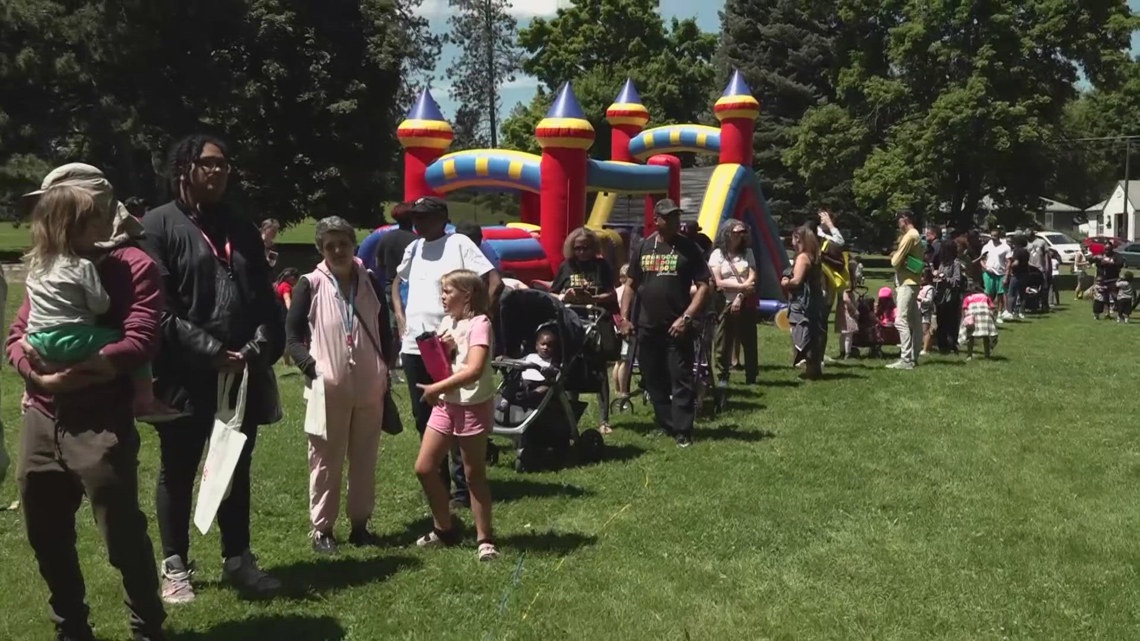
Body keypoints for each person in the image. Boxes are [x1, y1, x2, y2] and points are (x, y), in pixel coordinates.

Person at [5, 163, 168, 641]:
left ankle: (146, 627)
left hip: (100, 418)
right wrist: (35, 374)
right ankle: (71, 629)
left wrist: (79, 370)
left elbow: (140, 340)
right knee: (45, 532)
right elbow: (19, 335)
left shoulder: (132, 265)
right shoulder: (47, 264)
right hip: (41, 414)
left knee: (120, 534)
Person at [141, 134, 284, 603]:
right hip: (185, 373)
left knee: (234, 468)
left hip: (239, 373)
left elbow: (265, 298)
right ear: (185, 168)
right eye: (210, 164)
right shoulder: (158, 227)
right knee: (178, 470)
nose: (220, 172)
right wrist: (208, 350)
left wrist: (258, 347)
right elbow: (158, 309)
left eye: (225, 165)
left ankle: (238, 557)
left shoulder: (240, 228)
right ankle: (175, 564)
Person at [20, 185, 181, 422]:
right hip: (72, 339)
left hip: (37, 339)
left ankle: (30, 391)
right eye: (92, 223)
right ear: (73, 228)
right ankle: (145, 400)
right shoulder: (83, 266)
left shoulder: (38, 264)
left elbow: (25, 320)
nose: (99, 227)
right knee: (134, 353)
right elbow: (101, 307)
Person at [285, 217, 389, 554]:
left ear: (353, 243)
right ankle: (322, 529)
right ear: (321, 249)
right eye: (329, 246)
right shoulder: (309, 283)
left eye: (343, 243)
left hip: (369, 386)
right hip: (327, 388)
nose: (338, 250)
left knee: (365, 456)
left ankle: (360, 524)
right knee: (325, 459)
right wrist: (311, 366)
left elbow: (384, 327)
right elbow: (292, 335)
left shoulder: (370, 280)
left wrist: (386, 365)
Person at [392, 196, 500, 510]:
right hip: (416, 345)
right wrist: (400, 315)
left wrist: (479, 318)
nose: (418, 223)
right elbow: (398, 282)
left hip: (448, 346)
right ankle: (436, 486)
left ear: (442, 218)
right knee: (424, 416)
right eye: (415, 217)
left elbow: (493, 281)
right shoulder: (413, 248)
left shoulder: (458, 244)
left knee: (456, 411)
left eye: (424, 217)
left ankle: (463, 490)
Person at [413, 269, 499, 561]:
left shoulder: (480, 324)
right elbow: (445, 366)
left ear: (468, 294)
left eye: (448, 292)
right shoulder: (447, 322)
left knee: (474, 475)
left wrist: (435, 387)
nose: (443, 297)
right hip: (446, 404)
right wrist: (442, 350)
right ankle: (444, 529)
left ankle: (485, 539)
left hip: (471, 405)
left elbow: (474, 369)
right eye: (442, 291)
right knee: (425, 468)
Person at [619, 199, 710, 448]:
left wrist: (687, 318)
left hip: (677, 326)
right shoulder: (644, 246)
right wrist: (624, 318)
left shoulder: (688, 248)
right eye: (668, 217)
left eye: (676, 217)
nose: (674, 221)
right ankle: (666, 423)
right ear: (656, 219)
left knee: (680, 377)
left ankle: (683, 430)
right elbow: (630, 284)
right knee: (652, 378)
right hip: (646, 325)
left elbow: (704, 286)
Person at [708, 219, 758, 385]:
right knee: (722, 339)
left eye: (744, 232)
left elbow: (752, 276)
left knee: (749, 339)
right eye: (738, 232)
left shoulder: (748, 253)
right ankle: (723, 374)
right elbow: (718, 281)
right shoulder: (717, 255)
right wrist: (743, 285)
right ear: (728, 233)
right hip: (723, 300)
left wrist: (741, 294)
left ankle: (751, 376)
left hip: (745, 299)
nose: (742, 235)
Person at [782, 226, 826, 379]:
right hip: (815, 300)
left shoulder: (802, 257)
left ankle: (810, 367)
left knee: (803, 333)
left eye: (793, 238)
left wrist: (786, 281)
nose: (792, 242)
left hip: (803, 302)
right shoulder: (814, 256)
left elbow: (797, 281)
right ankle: (814, 369)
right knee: (814, 333)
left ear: (798, 238)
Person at [888, 211, 923, 370]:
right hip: (913, 281)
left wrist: (895, 255)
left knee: (900, 321)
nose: (898, 224)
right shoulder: (917, 235)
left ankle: (906, 359)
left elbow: (895, 262)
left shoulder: (910, 236)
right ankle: (914, 356)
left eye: (898, 220)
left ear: (905, 220)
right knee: (915, 322)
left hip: (907, 283)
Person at [551, 227, 616, 308]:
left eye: (586, 248)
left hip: (597, 314)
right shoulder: (566, 265)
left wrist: (593, 299)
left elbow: (612, 295)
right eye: (577, 248)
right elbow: (551, 294)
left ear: (593, 247)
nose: (581, 252)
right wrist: (564, 297)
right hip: (570, 313)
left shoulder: (602, 265)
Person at [933, 241, 965, 354]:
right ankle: (942, 344)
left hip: (951, 297)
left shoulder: (955, 263)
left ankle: (952, 344)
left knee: (951, 321)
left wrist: (945, 279)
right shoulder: (942, 263)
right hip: (940, 296)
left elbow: (957, 281)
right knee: (940, 321)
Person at [959, 284, 998, 360]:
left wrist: (964, 319)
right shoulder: (985, 297)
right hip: (985, 318)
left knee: (971, 337)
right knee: (986, 336)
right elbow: (992, 307)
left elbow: (965, 309)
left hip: (973, 318)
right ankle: (987, 355)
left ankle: (969, 355)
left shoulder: (968, 298)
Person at [979, 229, 1011, 322]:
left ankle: (999, 314)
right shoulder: (986, 246)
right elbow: (981, 259)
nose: (993, 238)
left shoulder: (1005, 247)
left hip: (1000, 273)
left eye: (995, 236)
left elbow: (1009, 261)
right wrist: (985, 268)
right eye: (992, 236)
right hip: (988, 273)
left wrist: (1006, 275)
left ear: (999, 236)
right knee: (988, 294)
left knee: (1000, 294)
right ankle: (988, 312)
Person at [1005, 236, 1031, 320]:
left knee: (1011, 294)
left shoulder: (1016, 251)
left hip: (1017, 274)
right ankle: (1021, 312)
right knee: (1022, 294)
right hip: (1025, 273)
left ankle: (1010, 311)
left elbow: (1016, 263)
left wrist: (1009, 267)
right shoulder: (1026, 252)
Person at [918, 270, 935, 356]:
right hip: (916, 310)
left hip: (925, 311)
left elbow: (929, 300)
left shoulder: (929, 288)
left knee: (925, 330)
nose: (920, 278)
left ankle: (925, 349)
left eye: (922, 277)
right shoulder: (918, 286)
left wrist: (920, 299)